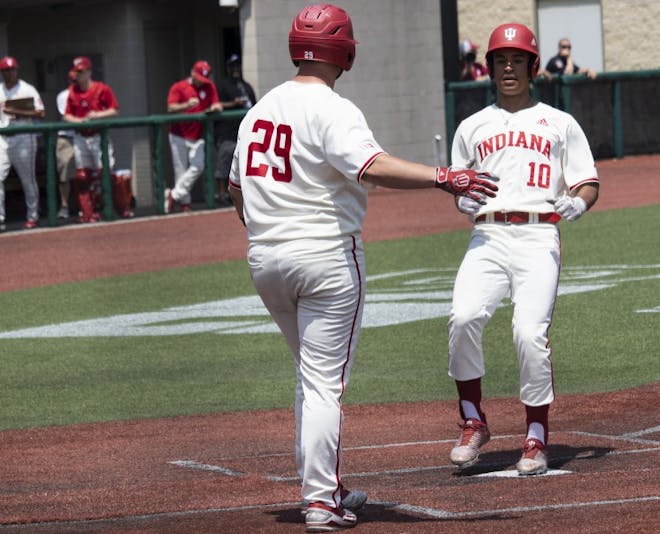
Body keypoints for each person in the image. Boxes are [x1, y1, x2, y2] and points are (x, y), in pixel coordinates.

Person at [227, 4, 498, 531]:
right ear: (344, 51)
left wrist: (268, 230)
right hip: (325, 255)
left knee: (311, 379)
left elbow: (237, 192)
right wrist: (445, 176)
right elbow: (373, 167)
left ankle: (323, 486)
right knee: (325, 384)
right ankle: (321, 503)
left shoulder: (258, 111)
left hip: (265, 258)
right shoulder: (333, 108)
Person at [446, 23, 599, 476]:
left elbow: (587, 181)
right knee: (463, 317)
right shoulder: (472, 126)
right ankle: (473, 421)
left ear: (533, 66)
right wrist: (461, 198)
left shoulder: (560, 122)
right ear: (489, 68)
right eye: (499, 60)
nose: (508, 67)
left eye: (517, 60)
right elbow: (459, 185)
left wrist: (578, 202)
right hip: (488, 236)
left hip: (537, 236)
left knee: (529, 333)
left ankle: (535, 435)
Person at [63, 56, 120, 223]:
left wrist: (97, 115)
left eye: (81, 72)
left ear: (89, 72)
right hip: (81, 136)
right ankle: (87, 213)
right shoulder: (72, 91)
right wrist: (79, 121)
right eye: (76, 72)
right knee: (82, 176)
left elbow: (114, 110)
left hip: (98, 137)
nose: (78, 75)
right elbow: (66, 116)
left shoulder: (101, 89)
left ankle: (114, 208)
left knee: (105, 174)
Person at [164, 60, 223, 213]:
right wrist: (186, 105)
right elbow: (170, 107)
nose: (201, 81)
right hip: (179, 134)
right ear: (192, 73)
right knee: (180, 170)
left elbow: (217, 104)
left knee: (199, 165)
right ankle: (185, 204)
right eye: (198, 77)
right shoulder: (179, 87)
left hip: (198, 135)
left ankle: (174, 195)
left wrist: (215, 108)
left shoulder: (209, 86)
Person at [0, 56, 45, 231]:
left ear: (16, 70)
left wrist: (15, 110)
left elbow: (41, 113)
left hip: (24, 137)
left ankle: (33, 216)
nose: (8, 73)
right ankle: (1, 218)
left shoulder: (27, 89)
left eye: (11, 69)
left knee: (28, 179)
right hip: (3, 138)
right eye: (5, 70)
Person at [214, 53, 256, 205]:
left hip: (244, 132)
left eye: (237, 65)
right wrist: (233, 103)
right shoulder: (223, 85)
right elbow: (216, 104)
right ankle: (221, 194)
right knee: (224, 163)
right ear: (228, 68)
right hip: (227, 131)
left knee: (242, 164)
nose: (236, 69)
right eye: (233, 66)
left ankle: (241, 194)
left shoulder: (246, 86)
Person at [55, 70, 77, 220]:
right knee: (64, 174)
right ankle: (64, 206)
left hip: (85, 137)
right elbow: (67, 116)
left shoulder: (92, 92)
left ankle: (87, 206)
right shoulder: (64, 95)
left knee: (87, 173)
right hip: (67, 138)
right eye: (74, 80)